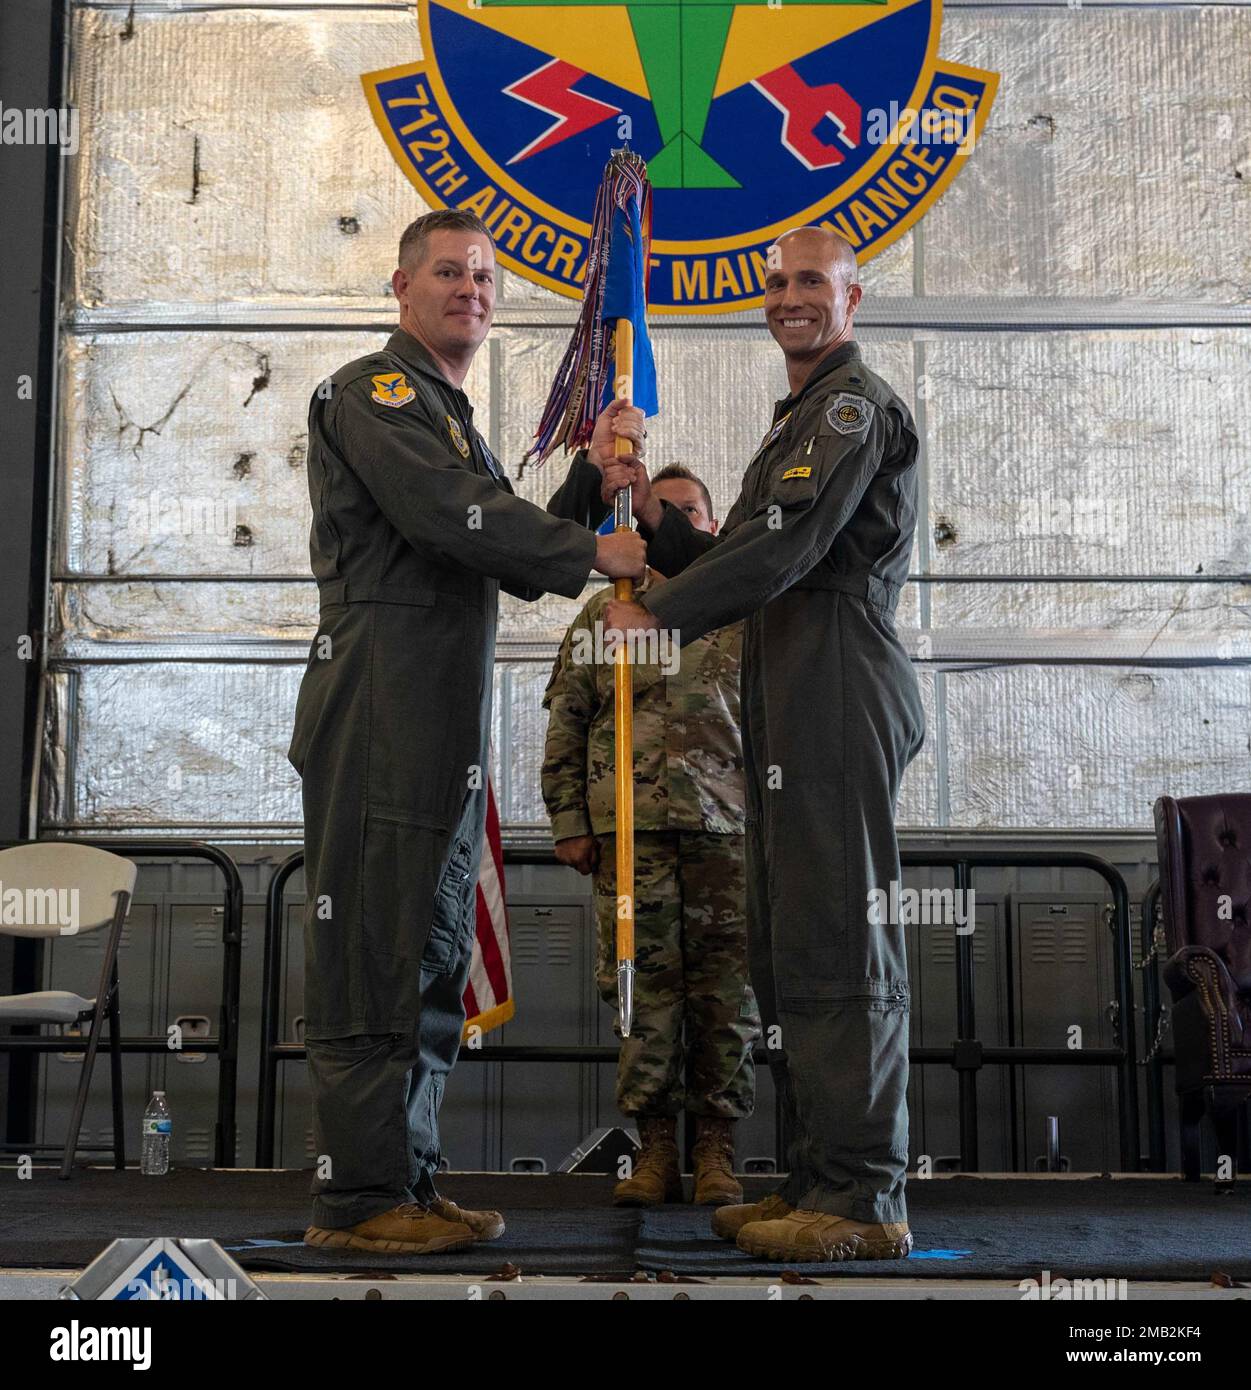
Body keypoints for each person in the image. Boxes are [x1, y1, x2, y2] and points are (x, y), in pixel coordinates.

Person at [288, 208, 647, 1255]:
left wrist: (590, 481)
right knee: (373, 951)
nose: (471, 291)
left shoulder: (448, 413)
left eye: (486, 278)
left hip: (439, 713)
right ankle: (355, 1200)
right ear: (401, 288)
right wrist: (594, 550)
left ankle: (407, 1179)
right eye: (448, 273)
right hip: (382, 704)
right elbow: (456, 518)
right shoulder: (374, 394)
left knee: (428, 950)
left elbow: (484, 523)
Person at [602, 226, 925, 1262]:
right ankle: (821, 1179)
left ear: (852, 297)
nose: (791, 297)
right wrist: (646, 523)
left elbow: (784, 549)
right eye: (779, 281)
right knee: (795, 949)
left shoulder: (845, 407)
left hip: (836, 678)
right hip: (792, 683)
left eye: (813, 283)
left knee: (838, 940)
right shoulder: (795, 419)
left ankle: (866, 1198)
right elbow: (742, 543)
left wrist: (661, 616)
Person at [541, 465, 760, 1208]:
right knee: (640, 993)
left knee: (726, 999)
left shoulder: (743, 612)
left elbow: (776, 729)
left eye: (689, 512)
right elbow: (567, 721)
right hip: (628, 838)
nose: (675, 522)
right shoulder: (603, 615)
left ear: (712, 523)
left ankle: (719, 1151)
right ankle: (656, 1150)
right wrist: (568, 820)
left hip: (726, 832)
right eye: (658, 511)